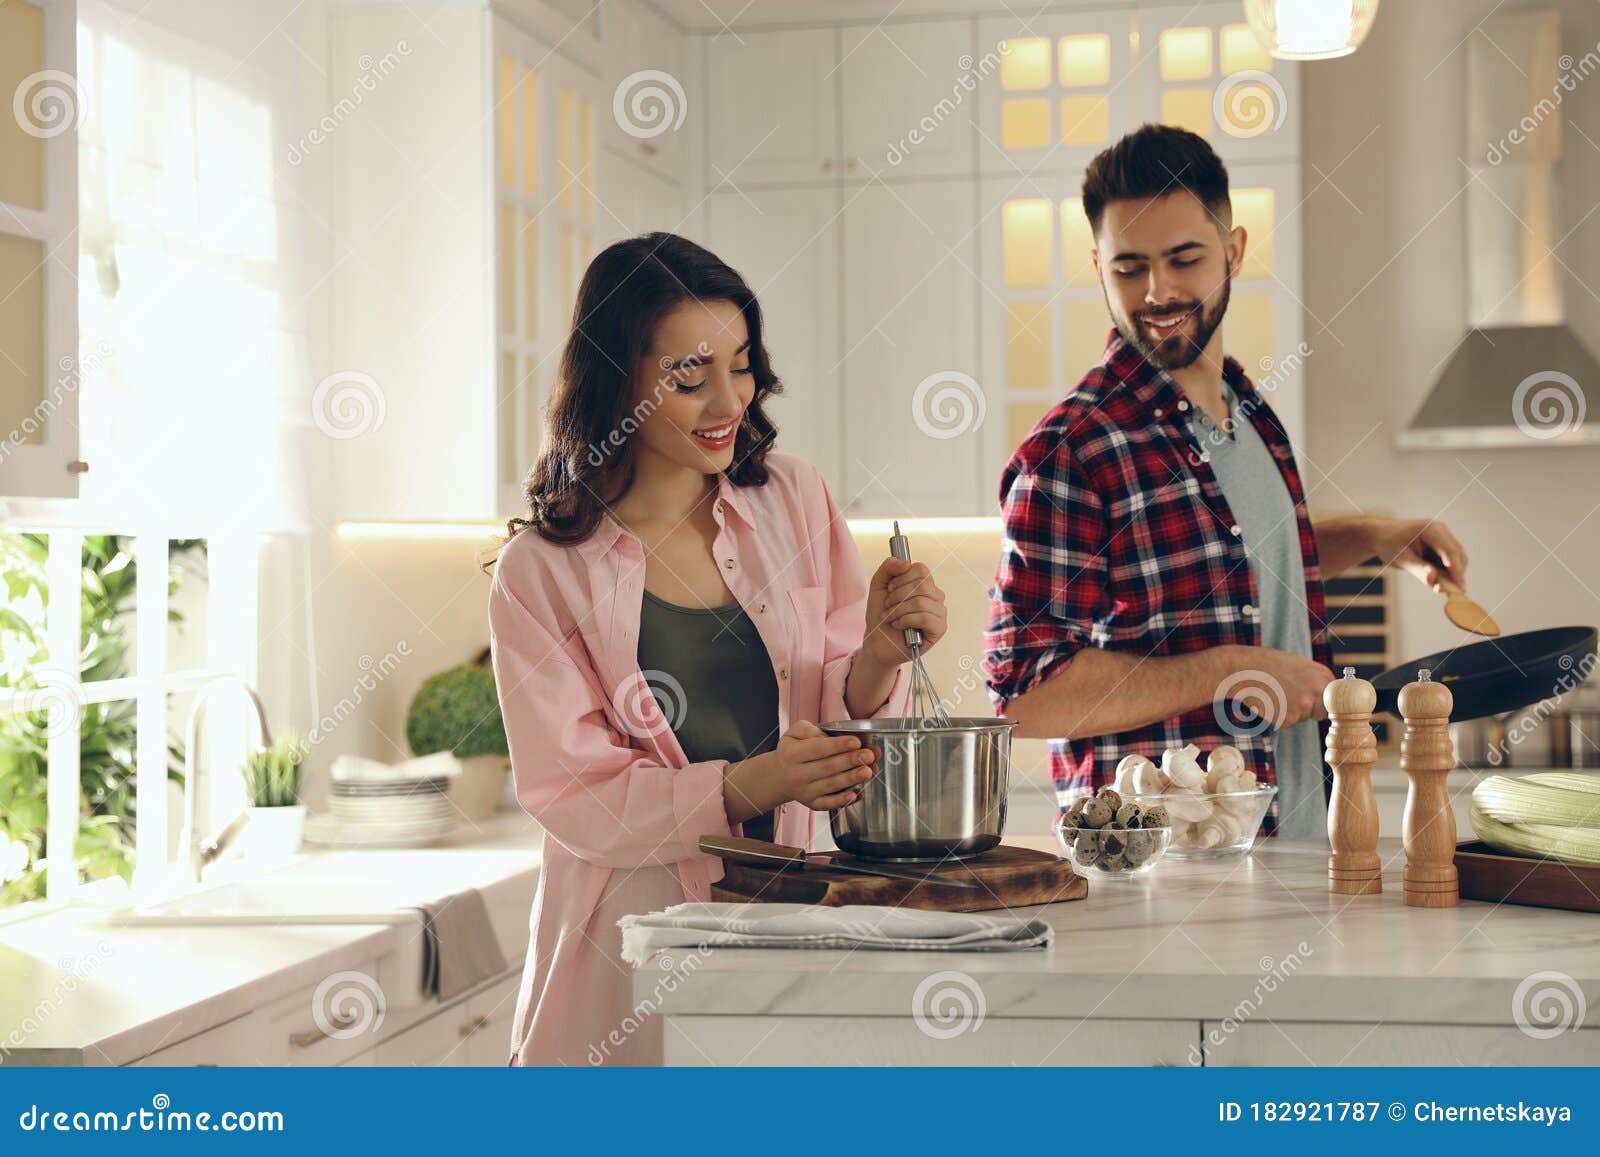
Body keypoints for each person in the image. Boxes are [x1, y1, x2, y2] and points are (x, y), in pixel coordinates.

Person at [488, 233, 949, 1065]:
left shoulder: (793, 498)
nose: (727, 401)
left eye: (741, 366)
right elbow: (572, 792)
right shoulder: (542, 570)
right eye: (689, 378)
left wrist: (881, 651)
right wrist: (746, 785)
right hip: (629, 942)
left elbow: (844, 701)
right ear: (613, 378)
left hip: (797, 924)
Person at [984, 125, 1468, 839]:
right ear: (1096, 267)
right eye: (1129, 268)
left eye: (1185, 258)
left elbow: (1236, 560)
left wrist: (1371, 536)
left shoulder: (1245, 409)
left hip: (1301, 839)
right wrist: (1229, 669)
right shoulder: (1073, 451)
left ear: (1234, 249)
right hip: (1162, 880)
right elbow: (1021, 695)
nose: (1159, 291)